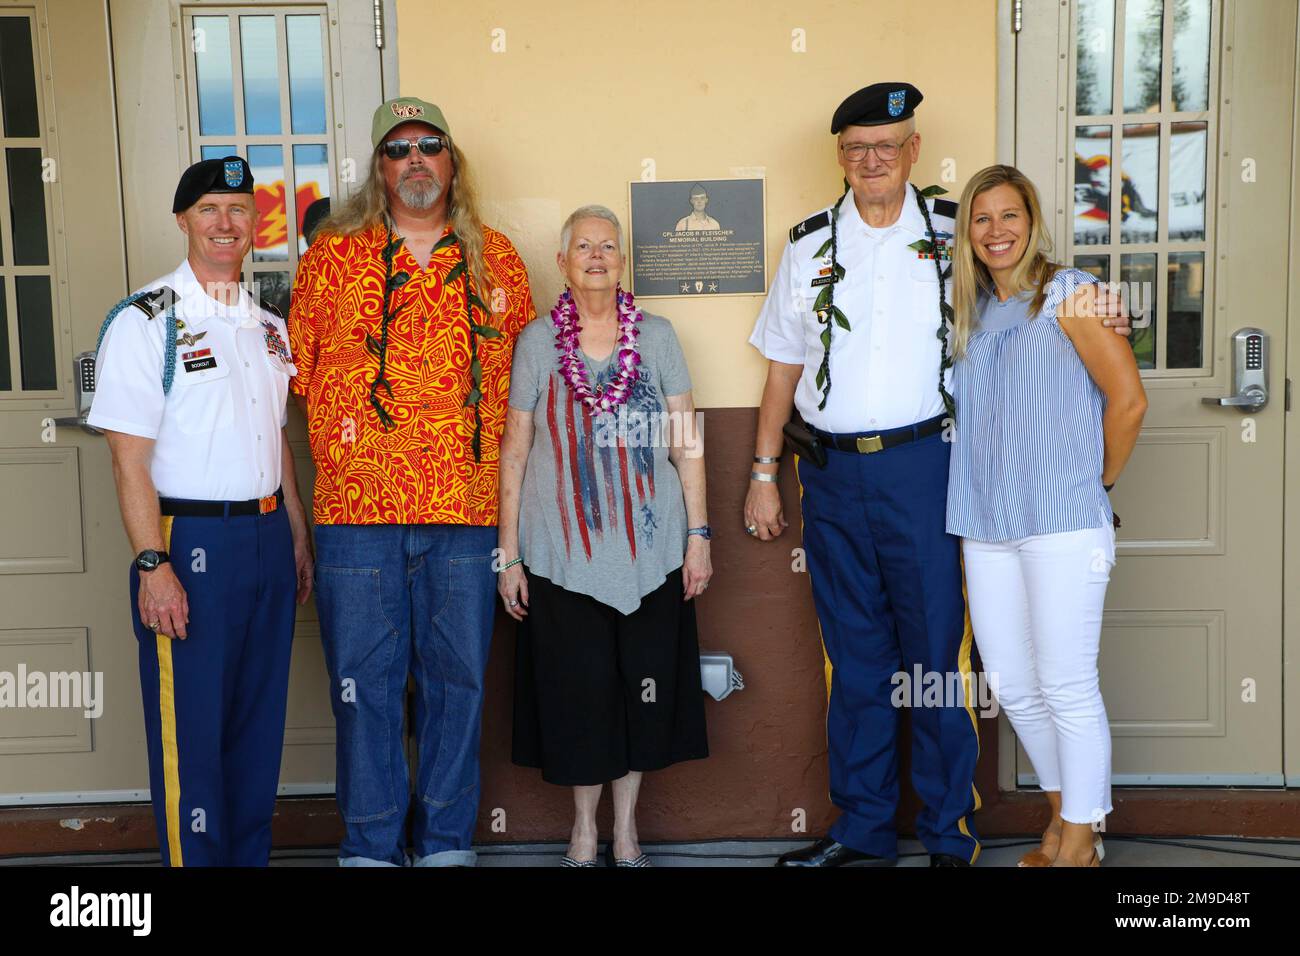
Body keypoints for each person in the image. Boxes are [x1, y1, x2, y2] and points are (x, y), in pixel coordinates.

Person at [744, 82, 1132, 868]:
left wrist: (1108, 302)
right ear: (841, 157)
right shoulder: (809, 244)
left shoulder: (957, 235)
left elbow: (1041, 289)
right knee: (853, 658)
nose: (872, 160)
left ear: (914, 151)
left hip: (928, 470)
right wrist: (761, 471)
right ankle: (861, 830)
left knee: (937, 661)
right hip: (829, 470)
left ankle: (951, 831)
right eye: (856, 148)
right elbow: (784, 364)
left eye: (888, 146)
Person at [288, 97, 535, 867]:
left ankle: (446, 848)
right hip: (356, 520)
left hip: (466, 517)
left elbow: (525, 398)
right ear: (379, 167)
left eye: (431, 145)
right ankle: (368, 848)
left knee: (457, 688)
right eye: (399, 150)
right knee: (363, 689)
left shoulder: (497, 259)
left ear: (452, 160)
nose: (416, 160)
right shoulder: (331, 257)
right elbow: (294, 381)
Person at [89, 156, 313, 866]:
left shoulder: (267, 326)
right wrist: (152, 562)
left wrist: (297, 538)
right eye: (210, 208)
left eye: (239, 210)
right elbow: (128, 456)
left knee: (255, 730)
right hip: (188, 544)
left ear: (256, 225)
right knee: (192, 734)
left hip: (267, 537)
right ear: (184, 219)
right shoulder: (146, 319)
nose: (226, 223)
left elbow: (274, 438)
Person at [946, 164, 1146, 867]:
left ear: (1032, 224)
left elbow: (1129, 402)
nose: (996, 231)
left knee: (1065, 683)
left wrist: (1093, 485)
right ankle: (1064, 820)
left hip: (1063, 521)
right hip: (986, 523)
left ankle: (1081, 843)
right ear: (967, 232)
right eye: (982, 218)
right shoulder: (969, 309)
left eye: (1010, 216)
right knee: (1013, 682)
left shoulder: (1072, 296)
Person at [498, 205, 710, 867]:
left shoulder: (658, 337)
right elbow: (515, 449)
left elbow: (687, 443)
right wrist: (508, 555)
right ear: (561, 262)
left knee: (640, 694)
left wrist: (699, 538)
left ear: (623, 263)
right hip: (561, 554)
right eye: (583, 246)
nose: (596, 256)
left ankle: (627, 829)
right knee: (579, 696)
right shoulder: (537, 342)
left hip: (651, 550)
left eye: (608, 247)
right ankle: (583, 828)